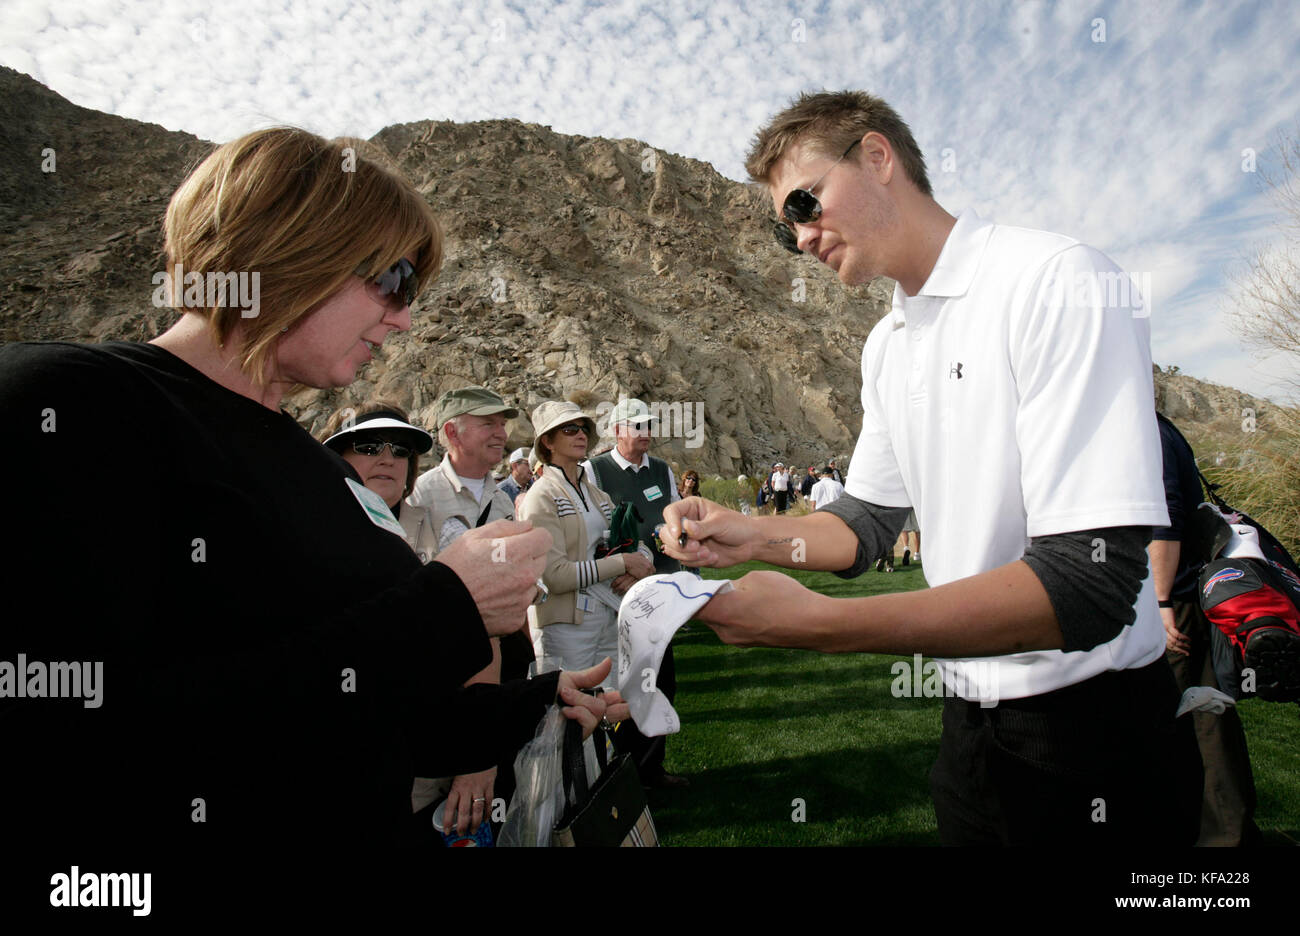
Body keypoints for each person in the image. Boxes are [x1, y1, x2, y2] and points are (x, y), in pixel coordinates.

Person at [0, 127, 626, 857]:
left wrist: (534, 704)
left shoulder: (321, 467)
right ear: (290, 250)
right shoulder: (67, 405)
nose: (405, 318)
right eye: (393, 281)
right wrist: (446, 607)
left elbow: (363, 705)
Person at [660, 90, 1200, 844]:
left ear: (878, 157)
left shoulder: (1054, 279)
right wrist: (747, 535)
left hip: (1093, 741)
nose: (804, 236)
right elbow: (867, 524)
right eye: (787, 229)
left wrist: (822, 626)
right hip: (969, 731)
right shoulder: (887, 345)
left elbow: (1090, 585)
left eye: (806, 203)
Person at [1151, 413, 1260, 846]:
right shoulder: (1164, 426)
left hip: (1174, 602)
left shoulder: (1145, 428)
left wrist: (1160, 603)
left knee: (1185, 723)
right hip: (1189, 594)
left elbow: (1167, 516)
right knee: (1210, 716)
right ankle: (1228, 832)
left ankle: (1217, 836)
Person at [586, 398, 692, 789]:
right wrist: (623, 567)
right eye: (637, 426)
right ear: (617, 431)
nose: (646, 433)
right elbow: (592, 532)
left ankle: (650, 769)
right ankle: (614, 774)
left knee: (661, 681)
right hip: (615, 593)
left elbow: (673, 517)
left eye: (649, 425)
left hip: (659, 590)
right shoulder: (593, 471)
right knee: (621, 684)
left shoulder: (661, 470)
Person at [520, 401, 656, 681]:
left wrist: (642, 564)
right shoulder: (541, 497)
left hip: (607, 615)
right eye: (570, 429)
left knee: (608, 707)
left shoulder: (596, 495)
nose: (581, 435)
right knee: (566, 712)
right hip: (564, 627)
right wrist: (623, 562)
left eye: (583, 429)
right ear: (548, 441)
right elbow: (554, 576)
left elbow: (628, 541)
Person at [319, 401, 438, 563]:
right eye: (369, 447)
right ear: (337, 458)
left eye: (400, 449)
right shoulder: (300, 528)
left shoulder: (441, 531)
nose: (388, 460)